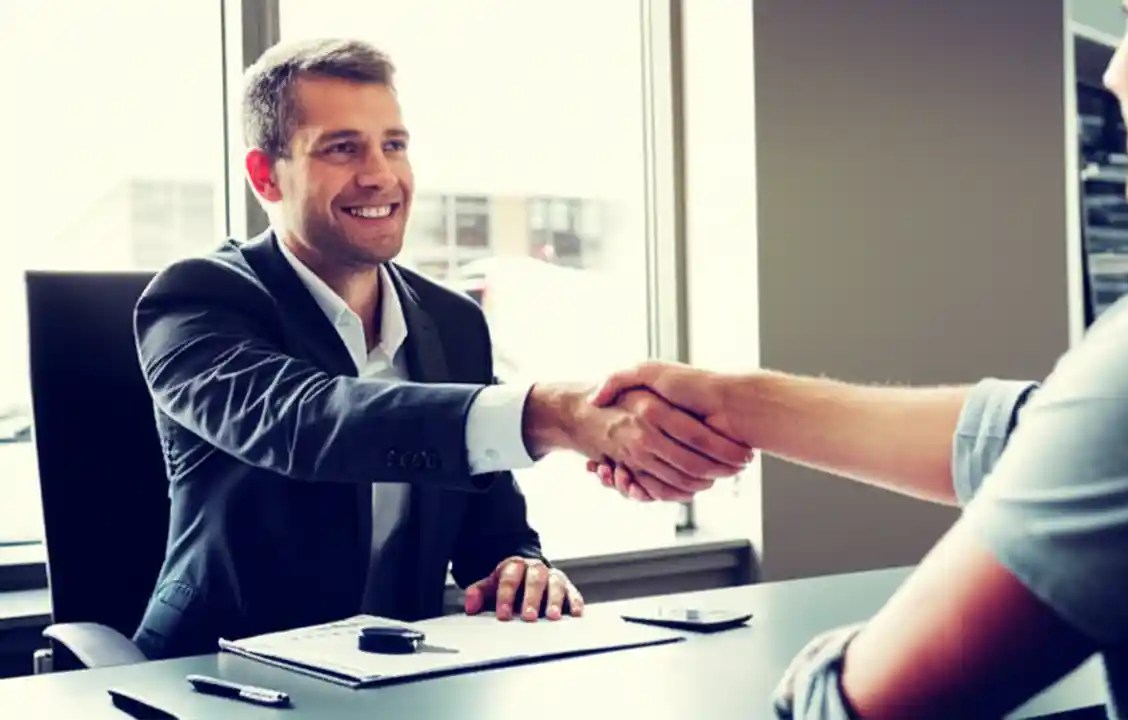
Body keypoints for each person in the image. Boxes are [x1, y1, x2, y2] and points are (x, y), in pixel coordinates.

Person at [592, 0, 1128, 716]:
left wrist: (824, 664)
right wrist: (734, 403)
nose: (1112, 72)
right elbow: (1055, 432)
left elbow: (851, 706)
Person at [130, 38, 751, 660]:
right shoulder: (196, 298)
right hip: (213, 673)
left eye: (394, 145)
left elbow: (492, 525)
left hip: (398, 678)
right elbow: (304, 421)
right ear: (266, 175)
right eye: (342, 148)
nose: (380, 175)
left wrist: (519, 567)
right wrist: (553, 414)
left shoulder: (454, 322)